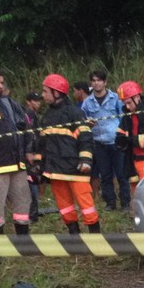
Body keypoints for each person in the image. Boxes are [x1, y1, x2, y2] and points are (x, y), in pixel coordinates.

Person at [39, 73, 97, 234]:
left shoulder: (74, 113)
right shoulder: (46, 117)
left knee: (87, 206)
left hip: (75, 168)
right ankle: (74, 237)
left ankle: (96, 237)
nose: (43, 95)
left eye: (45, 91)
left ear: (56, 93)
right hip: (55, 170)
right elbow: (42, 145)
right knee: (65, 207)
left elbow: (86, 138)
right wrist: (40, 167)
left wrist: (85, 160)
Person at [0, 69, 32, 235]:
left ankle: (23, 241)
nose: (0, 86)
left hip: (18, 163)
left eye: (2, 83)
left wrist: (28, 152)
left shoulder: (11, 104)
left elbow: (25, 128)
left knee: (23, 203)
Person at [81, 70, 128, 211]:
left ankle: (125, 203)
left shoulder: (116, 98)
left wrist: (123, 136)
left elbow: (124, 118)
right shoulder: (87, 103)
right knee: (105, 175)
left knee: (121, 174)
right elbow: (82, 121)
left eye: (99, 80)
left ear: (105, 82)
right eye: (94, 81)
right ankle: (110, 203)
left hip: (116, 142)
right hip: (99, 144)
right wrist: (87, 124)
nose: (96, 83)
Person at [23, 91, 44, 222]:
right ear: (28, 102)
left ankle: (34, 211)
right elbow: (29, 134)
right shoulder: (28, 115)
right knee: (31, 181)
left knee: (35, 180)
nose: (38, 103)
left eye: (39, 101)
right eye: (35, 101)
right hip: (30, 153)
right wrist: (29, 152)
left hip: (36, 152)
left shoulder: (34, 115)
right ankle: (32, 213)